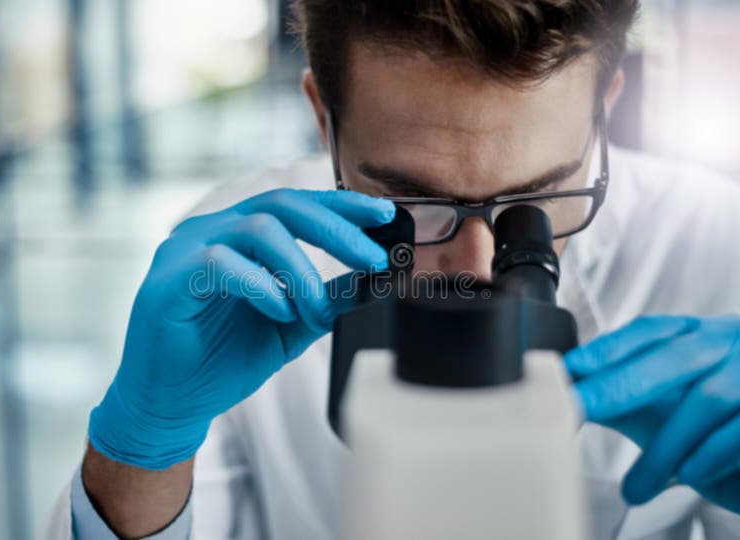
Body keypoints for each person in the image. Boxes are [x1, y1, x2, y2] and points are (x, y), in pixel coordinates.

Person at [43, 1, 740, 538]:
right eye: (410, 199)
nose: (475, 268)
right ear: (324, 120)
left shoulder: (713, 242)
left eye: (536, 200)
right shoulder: (242, 266)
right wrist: (142, 442)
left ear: (605, 109)